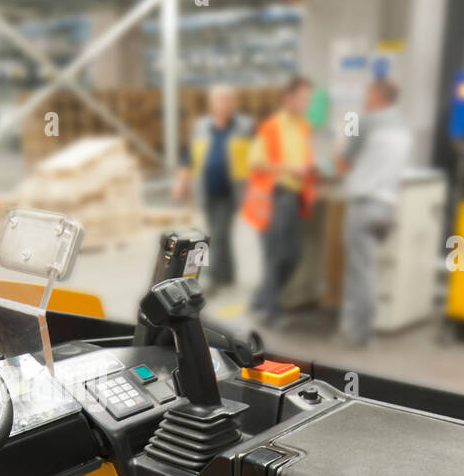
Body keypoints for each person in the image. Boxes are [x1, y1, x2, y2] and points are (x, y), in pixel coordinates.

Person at [333, 78, 412, 346]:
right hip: (387, 208)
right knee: (367, 268)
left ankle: (359, 334)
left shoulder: (363, 120)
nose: (364, 96)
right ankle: (355, 325)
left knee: (360, 271)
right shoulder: (402, 126)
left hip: (365, 205)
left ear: (378, 95)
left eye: (367, 91)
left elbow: (342, 162)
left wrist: (342, 138)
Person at [241, 75, 316, 326]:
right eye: (303, 98)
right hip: (275, 196)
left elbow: (304, 159)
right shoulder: (271, 126)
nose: (307, 103)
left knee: (293, 255)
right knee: (275, 256)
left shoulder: (303, 127)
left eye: (309, 98)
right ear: (288, 98)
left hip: (294, 198)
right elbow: (255, 161)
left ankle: (259, 299)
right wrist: (289, 168)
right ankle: (271, 312)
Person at [171, 85, 254, 290]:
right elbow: (189, 155)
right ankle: (228, 273)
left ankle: (213, 278)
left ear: (232, 103)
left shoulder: (244, 127)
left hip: (230, 189)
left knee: (217, 234)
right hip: (206, 189)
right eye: (219, 100)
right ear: (212, 104)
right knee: (219, 234)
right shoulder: (202, 126)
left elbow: (256, 156)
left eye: (227, 100)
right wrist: (181, 181)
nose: (223, 104)